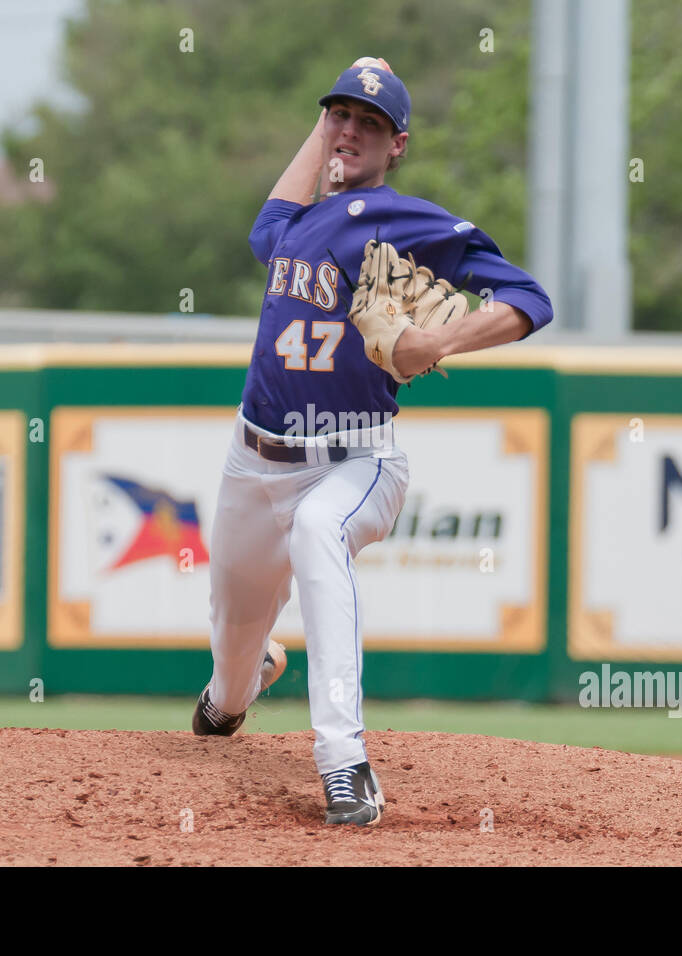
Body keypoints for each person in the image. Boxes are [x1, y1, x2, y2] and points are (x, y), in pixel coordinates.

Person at [192, 58, 553, 826]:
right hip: (252, 459)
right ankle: (244, 681)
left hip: (356, 457)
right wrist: (332, 119)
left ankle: (344, 760)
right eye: (340, 116)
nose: (350, 130)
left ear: (399, 145)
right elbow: (265, 228)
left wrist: (442, 342)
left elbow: (531, 299)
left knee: (321, 533)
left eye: (371, 122)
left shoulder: (409, 219)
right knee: (224, 679)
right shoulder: (290, 225)